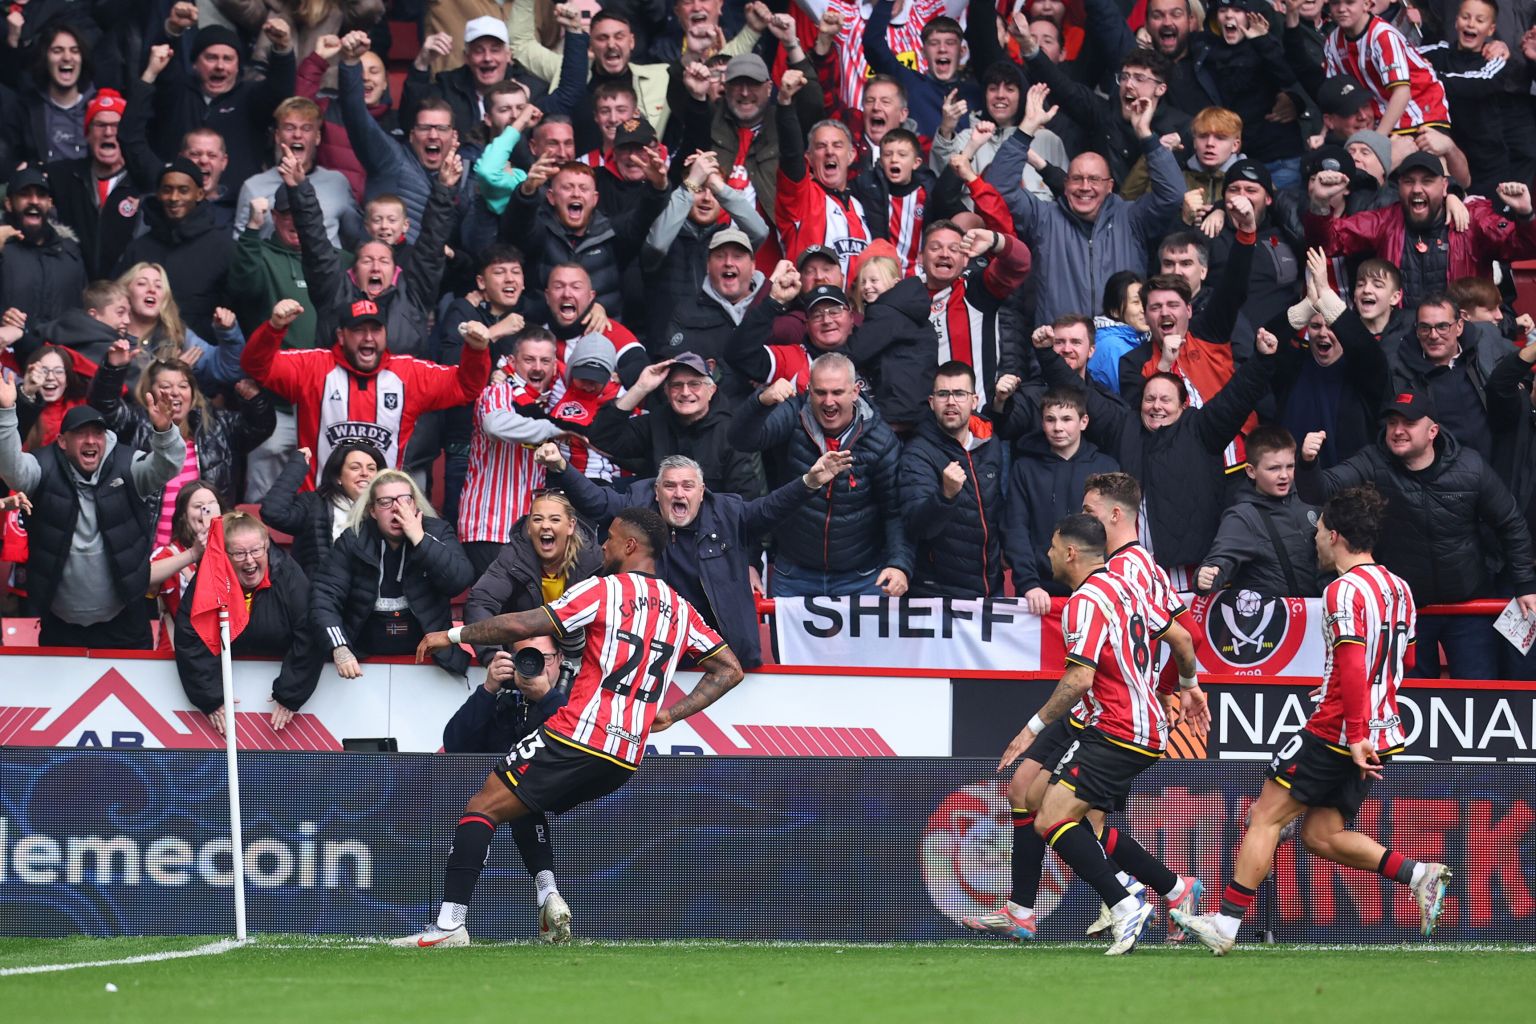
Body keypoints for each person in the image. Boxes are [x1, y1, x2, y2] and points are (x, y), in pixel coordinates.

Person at [393, 506, 745, 948]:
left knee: (482, 806)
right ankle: (549, 896)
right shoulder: (681, 610)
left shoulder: (603, 591)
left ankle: (449, 926)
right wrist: (671, 714)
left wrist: (454, 635)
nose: (604, 547)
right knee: (519, 800)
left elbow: (524, 622)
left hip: (578, 733)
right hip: (626, 756)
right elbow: (729, 669)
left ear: (631, 546)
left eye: (611, 539)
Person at [1173, 486, 1452, 955]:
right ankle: (1420, 875)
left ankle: (1225, 923)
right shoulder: (1400, 588)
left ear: (1337, 536)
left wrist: (1355, 731)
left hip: (1340, 731)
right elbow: (1405, 657)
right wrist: (1364, 722)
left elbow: (1353, 665)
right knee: (1322, 835)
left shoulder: (1342, 591)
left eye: (1320, 531)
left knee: (1263, 818)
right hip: (1381, 728)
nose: (1316, 539)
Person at [978, 514, 1200, 954]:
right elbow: (1183, 638)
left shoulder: (1084, 601)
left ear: (1070, 553)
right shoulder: (1128, 587)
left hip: (1116, 728)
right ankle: (1147, 893)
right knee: (1050, 809)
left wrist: (1031, 728)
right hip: (1138, 725)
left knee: (1053, 819)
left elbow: (1079, 680)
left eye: (1052, 547)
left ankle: (1125, 900)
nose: (1048, 555)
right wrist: (1188, 686)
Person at [1297, 390, 1536, 679]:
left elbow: (1511, 523)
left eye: (1408, 423)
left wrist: (1525, 585)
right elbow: (1318, 491)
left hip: (1469, 608)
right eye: (1392, 423)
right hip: (1406, 611)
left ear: (1433, 431)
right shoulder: (1372, 461)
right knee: (1412, 704)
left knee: (1479, 696)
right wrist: (1308, 463)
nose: (1398, 431)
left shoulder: (1471, 467)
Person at [539, 446, 850, 668]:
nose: (679, 494)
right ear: (656, 491)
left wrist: (809, 481)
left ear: (702, 492)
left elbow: (769, 509)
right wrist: (562, 469)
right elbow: (596, 501)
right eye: (670, 486)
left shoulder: (729, 512)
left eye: (688, 486)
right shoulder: (638, 507)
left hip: (723, 659)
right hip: (656, 660)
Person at [1033, 323, 1281, 586]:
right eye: (1149, 399)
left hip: (1191, 572)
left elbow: (1237, 396)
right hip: (1131, 571)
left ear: (1183, 405)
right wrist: (1047, 354)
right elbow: (1080, 392)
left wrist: (1262, 359)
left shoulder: (1202, 428)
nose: (1156, 407)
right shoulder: (1123, 426)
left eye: (1165, 400)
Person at [0, 383, 183, 649]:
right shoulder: (42, 466)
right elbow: (11, 469)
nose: (90, 441)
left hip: (125, 620)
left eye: (97, 433)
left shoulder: (128, 464)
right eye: (80, 434)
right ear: (62, 441)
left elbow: (167, 467)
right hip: (60, 623)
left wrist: (165, 432)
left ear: (106, 437)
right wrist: (6, 411)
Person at [986, 83, 1182, 327]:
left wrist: (1145, 133)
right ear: (1065, 184)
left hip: (1123, 353)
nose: (1085, 187)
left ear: (1110, 186)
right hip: (1061, 350)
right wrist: (1026, 129)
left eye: (1094, 179)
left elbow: (1173, 194)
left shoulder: (1132, 218)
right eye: (1076, 178)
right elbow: (997, 190)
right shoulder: (1044, 218)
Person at [240, 298, 491, 483]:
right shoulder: (313, 367)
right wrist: (273, 329)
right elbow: (256, 365)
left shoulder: (409, 374)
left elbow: (466, 386)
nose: (368, 338)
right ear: (341, 335)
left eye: (375, 330)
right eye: (359, 330)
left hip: (380, 512)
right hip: (319, 510)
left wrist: (476, 352)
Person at [729, 352, 912, 598]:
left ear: (855, 391)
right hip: (795, 573)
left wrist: (899, 565)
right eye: (820, 392)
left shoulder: (880, 439)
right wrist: (761, 402)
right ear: (809, 390)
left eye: (837, 392)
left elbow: (895, 512)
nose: (828, 402)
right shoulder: (793, 415)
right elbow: (741, 440)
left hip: (860, 576)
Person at [439, 633, 574, 943]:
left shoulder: (573, 699)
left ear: (560, 661)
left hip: (571, 803)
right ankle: (547, 891)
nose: (535, 666)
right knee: (516, 793)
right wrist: (487, 690)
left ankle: (450, 923)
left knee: (518, 792)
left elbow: (578, 738)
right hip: (512, 809)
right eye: (525, 658)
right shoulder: (504, 699)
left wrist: (546, 696)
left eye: (545, 658)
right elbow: (454, 743)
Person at [89, 339, 274, 545]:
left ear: (192, 393)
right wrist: (113, 368)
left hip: (207, 550)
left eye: (183, 386)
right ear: (149, 394)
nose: (175, 392)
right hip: (151, 553)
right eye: (166, 386)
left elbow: (259, 427)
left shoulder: (216, 425)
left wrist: (255, 400)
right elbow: (104, 409)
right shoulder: (135, 423)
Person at [1305, 154, 1536, 311]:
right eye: (1409, 181)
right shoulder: (1386, 219)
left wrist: (1526, 214)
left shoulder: (1472, 219)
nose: (1417, 189)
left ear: (1445, 186)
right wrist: (1320, 203)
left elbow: (1521, 246)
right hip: (1402, 339)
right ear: (1399, 188)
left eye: (1427, 181)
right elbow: (1329, 243)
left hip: (1464, 338)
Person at [310, 469, 476, 679]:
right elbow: (324, 595)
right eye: (386, 502)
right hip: (361, 658)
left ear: (415, 504)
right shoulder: (354, 539)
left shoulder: (437, 531)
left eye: (405, 500)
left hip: (433, 660)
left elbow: (459, 580)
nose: (397, 509)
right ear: (372, 511)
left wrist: (420, 538)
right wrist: (339, 647)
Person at [174, 512, 325, 734]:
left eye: (256, 550)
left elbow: (309, 633)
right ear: (225, 555)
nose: (250, 560)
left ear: (267, 547)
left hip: (283, 704)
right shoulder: (210, 578)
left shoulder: (288, 574)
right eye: (239, 553)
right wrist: (210, 696)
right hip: (222, 706)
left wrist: (291, 693)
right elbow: (190, 634)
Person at [1004, 389, 1120, 613]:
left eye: (1067, 419)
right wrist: (1029, 584)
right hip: (1039, 592)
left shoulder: (1106, 467)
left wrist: (1106, 584)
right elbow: (1015, 528)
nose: (1058, 427)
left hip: (1096, 590)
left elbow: (1115, 531)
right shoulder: (1024, 468)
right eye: (1050, 419)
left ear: (1083, 421)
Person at [587, 354, 764, 500]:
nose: (685, 392)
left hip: (711, 532)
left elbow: (744, 499)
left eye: (694, 384)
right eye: (677, 385)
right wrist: (640, 388)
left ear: (711, 390)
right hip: (657, 528)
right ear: (666, 392)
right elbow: (603, 438)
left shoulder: (732, 431)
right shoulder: (656, 421)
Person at [899, 361, 1006, 599]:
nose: (951, 402)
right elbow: (916, 527)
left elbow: (1001, 508)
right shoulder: (917, 452)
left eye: (959, 393)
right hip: (939, 593)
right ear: (931, 402)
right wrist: (944, 496)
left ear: (974, 401)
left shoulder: (991, 443)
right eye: (943, 394)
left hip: (991, 587)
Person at [463, 492, 603, 666]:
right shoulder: (514, 556)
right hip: (526, 657)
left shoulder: (595, 560)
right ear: (529, 527)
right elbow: (480, 603)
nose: (545, 526)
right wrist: (493, 657)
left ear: (571, 525)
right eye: (537, 519)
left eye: (554, 520)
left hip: (583, 659)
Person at [113, 159, 235, 340]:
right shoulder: (139, 248)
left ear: (200, 194)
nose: (174, 198)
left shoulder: (223, 247)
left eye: (183, 190)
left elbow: (235, 308)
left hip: (202, 356)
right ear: (158, 194)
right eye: (167, 190)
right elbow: (117, 300)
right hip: (142, 356)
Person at [1196, 426, 1323, 598]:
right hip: (1277, 620)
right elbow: (1220, 559)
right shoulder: (1242, 517)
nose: (1284, 475)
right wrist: (1207, 576)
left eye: (1290, 466)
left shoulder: (1309, 497)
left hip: (1318, 613)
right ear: (1251, 471)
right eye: (1274, 468)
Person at [259, 440, 385, 577]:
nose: (365, 473)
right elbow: (272, 512)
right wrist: (296, 467)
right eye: (355, 468)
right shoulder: (314, 503)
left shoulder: (388, 508)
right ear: (338, 477)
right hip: (317, 594)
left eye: (372, 468)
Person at [0, 167, 88, 325]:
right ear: (9, 203)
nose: (34, 201)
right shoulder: (3, 247)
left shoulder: (69, 251)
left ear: (50, 204)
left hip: (59, 348)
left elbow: (81, 310)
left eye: (41, 195)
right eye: (24, 194)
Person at [150, 480, 222, 653]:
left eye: (212, 505)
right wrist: (193, 554)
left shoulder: (234, 550)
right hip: (175, 655)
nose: (206, 511)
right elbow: (144, 577)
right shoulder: (169, 554)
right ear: (183, 515)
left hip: (222, 652)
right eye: (198, 506)